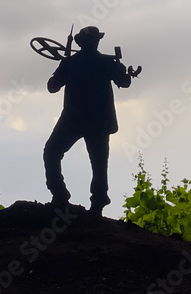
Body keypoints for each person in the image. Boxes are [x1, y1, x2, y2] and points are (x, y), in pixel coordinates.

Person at [44, 26, 133, 217]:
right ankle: (98, 205)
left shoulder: (70, 63)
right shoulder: (107, 62)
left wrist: (61, 68)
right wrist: (123, 71)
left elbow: (52, 87)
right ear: (97, 41)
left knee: (52, 152)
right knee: (99, 164)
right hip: (99, 120)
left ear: (79, 43)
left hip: (73, 119)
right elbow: (125, 82)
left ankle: (59, 194)